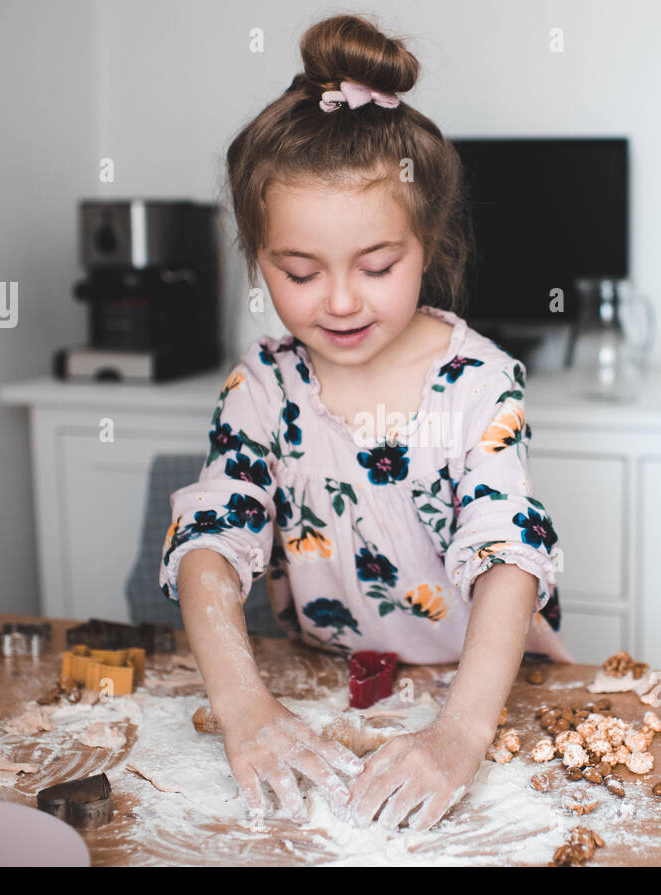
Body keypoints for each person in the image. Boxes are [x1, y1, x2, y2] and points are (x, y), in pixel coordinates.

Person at [159, 13, 569, 832]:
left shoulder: (480, 382)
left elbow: (507, 554)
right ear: (255, 255)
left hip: (481, 692)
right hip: (323, 686)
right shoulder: (264, 384)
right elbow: (211, 539)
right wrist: (245, 708)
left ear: (428, 244)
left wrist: (456, 738)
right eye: (299, 270)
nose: (340, 301)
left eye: (378, 267)